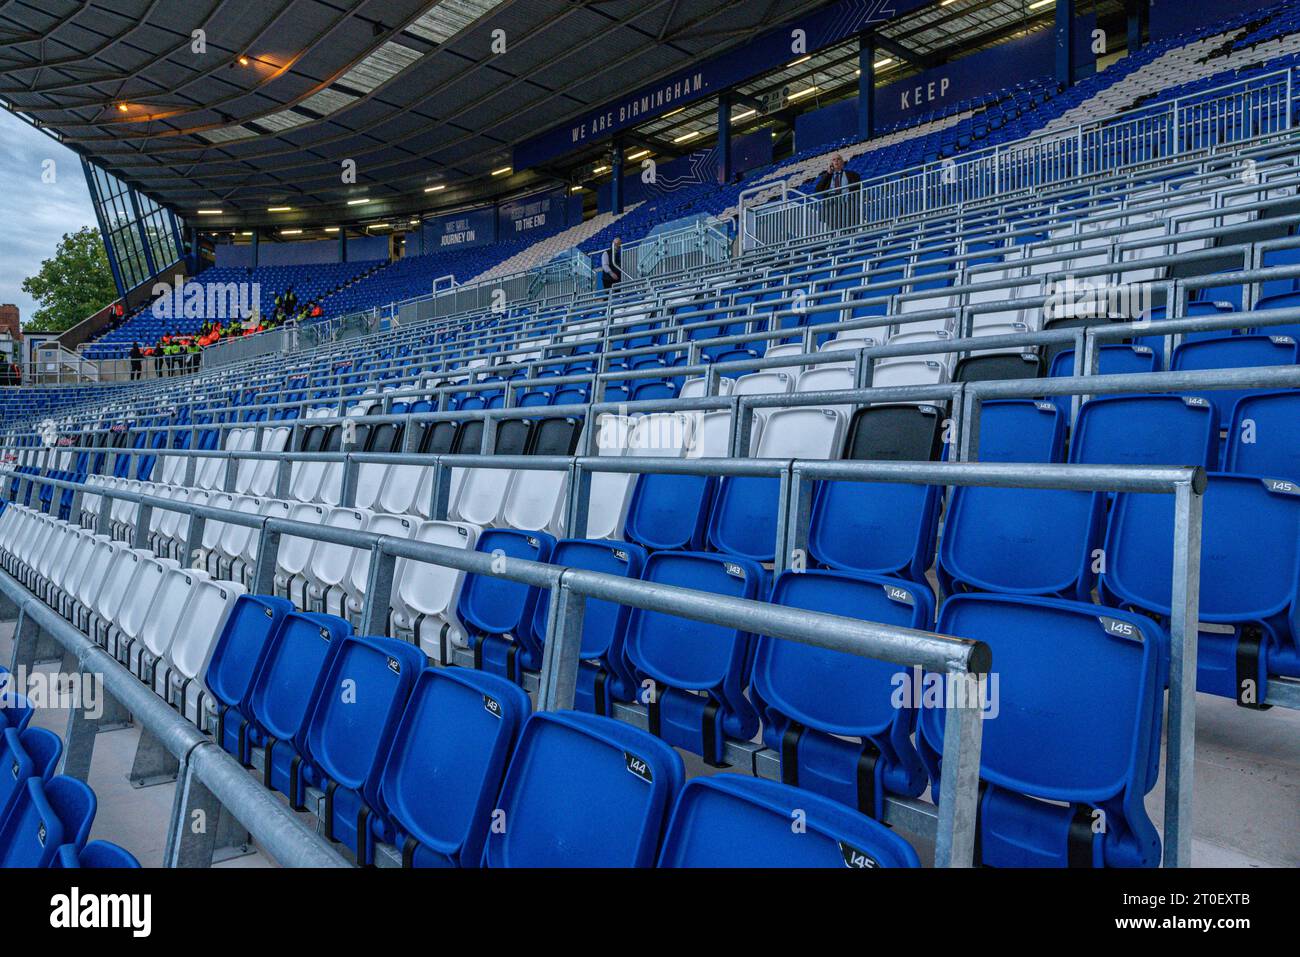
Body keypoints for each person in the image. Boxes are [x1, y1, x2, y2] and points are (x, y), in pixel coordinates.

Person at [814, 154, 862, 232]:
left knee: (849, 227)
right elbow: (818, 190)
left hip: (847, 204)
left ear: (842, 163)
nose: (836, 161)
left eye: (838, 159)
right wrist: (828, 174)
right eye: (833, 160)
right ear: (831, 164)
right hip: (831, 206)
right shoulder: (826, 176)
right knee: (834, 228)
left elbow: (858, 187)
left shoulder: (852, 175)